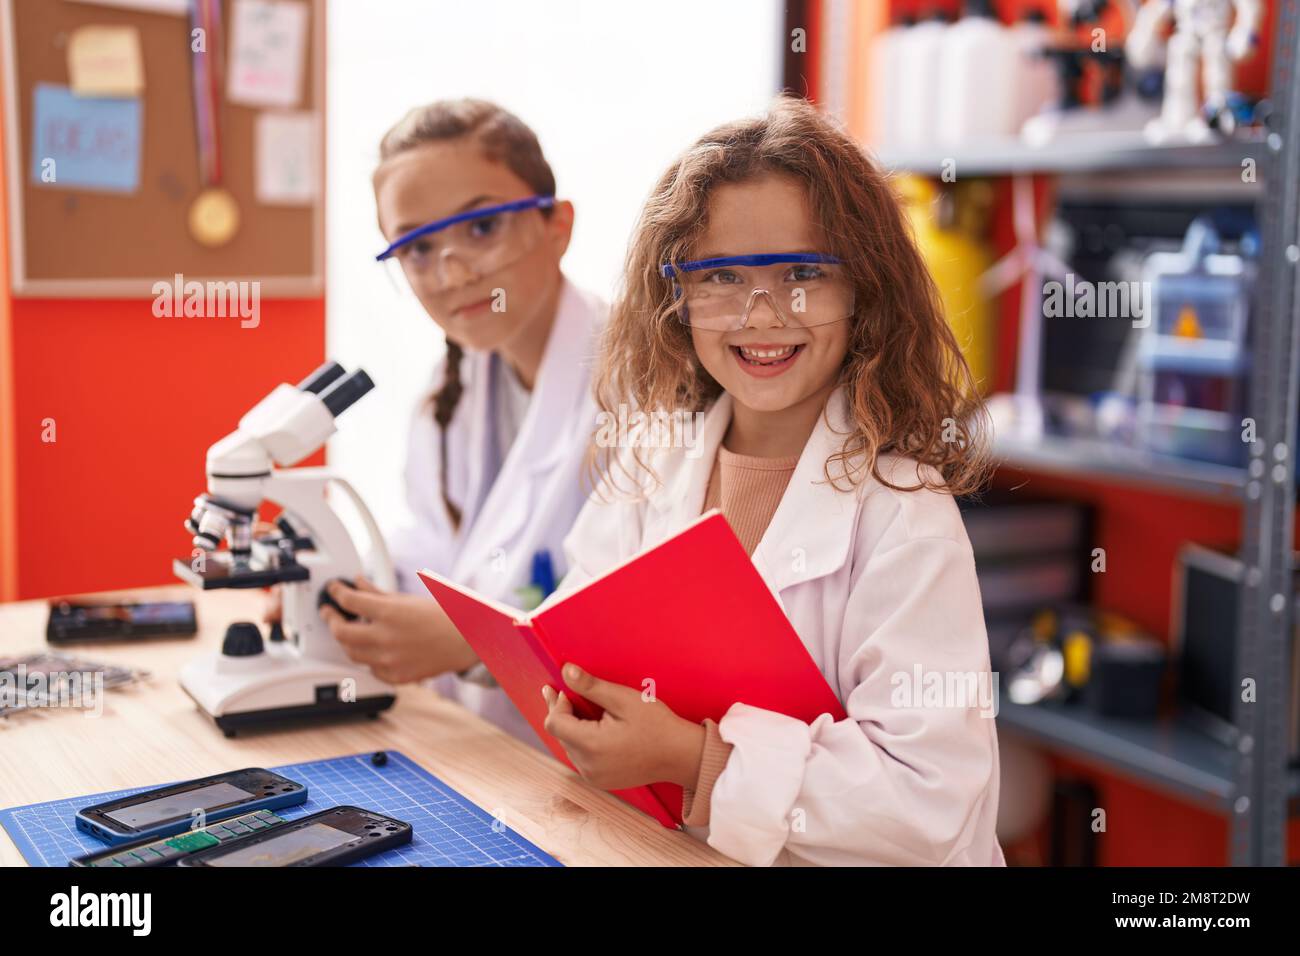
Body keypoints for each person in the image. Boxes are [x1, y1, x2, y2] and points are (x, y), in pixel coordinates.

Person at [539, 97, 1005, 866]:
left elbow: (929, 802)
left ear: (865, 291)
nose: (761, 313)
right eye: (720, 274)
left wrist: (698, 762)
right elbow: (570, 641)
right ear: (676, 297)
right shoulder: (652, 464)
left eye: (802, 273)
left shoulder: (905, 515)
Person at [310, 99, 605, 749]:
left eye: (480, 229)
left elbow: (648, 633)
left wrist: (473, 644)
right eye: (418, 248)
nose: (452, 272)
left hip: (604, 787)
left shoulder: (640, 388)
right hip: (486, 751)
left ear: (557, 224)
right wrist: (340, 594)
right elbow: (434, 557)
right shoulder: (450, 391)